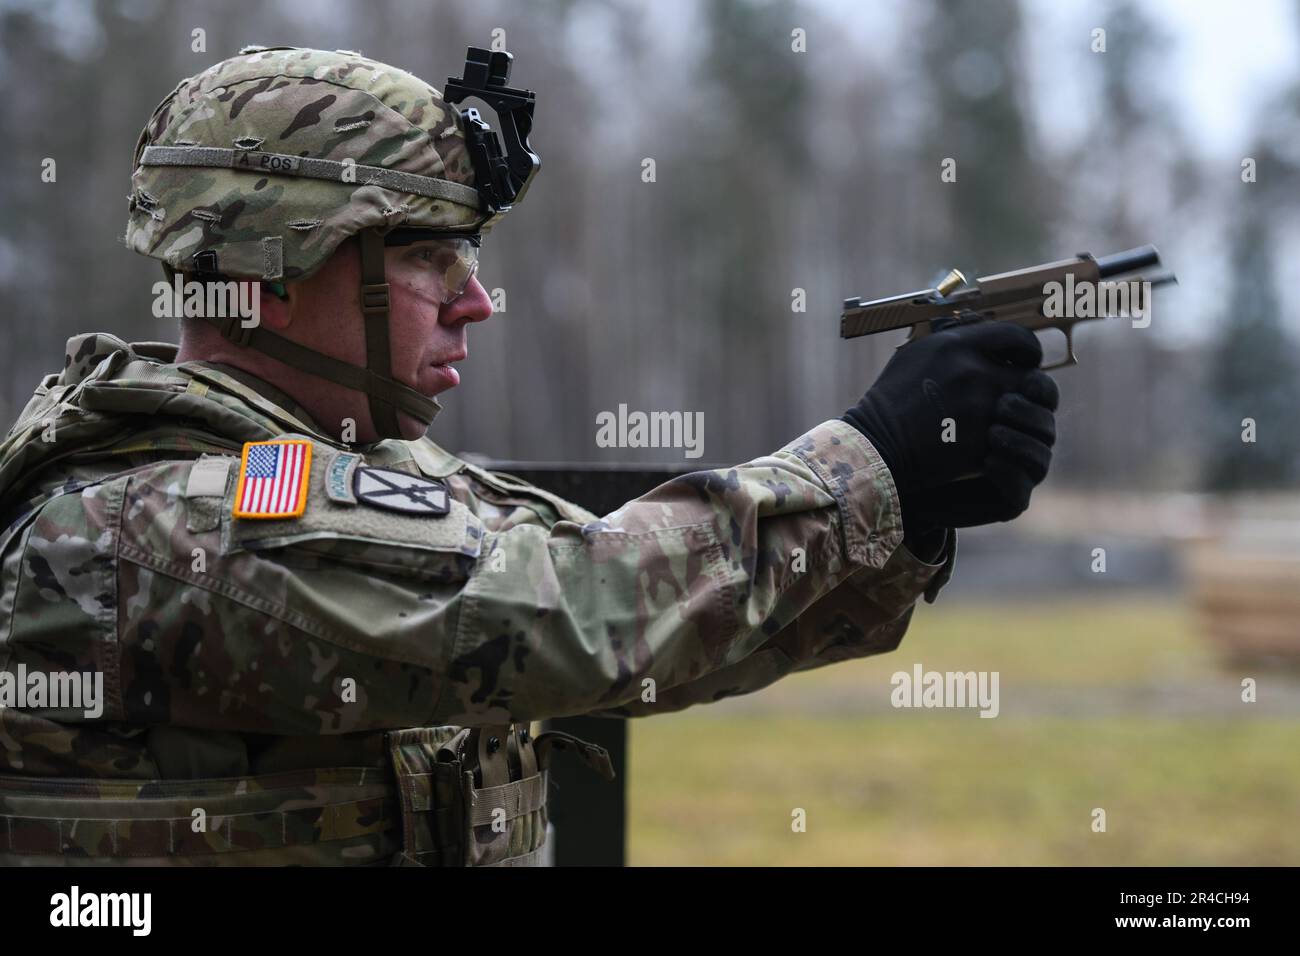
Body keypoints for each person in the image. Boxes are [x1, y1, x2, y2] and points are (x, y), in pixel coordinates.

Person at [0, 45, 1057, 866]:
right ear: (271, 266)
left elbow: (651, 627)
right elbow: (571, 613)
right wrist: (865, 462)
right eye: (425, 255)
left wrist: (909, 504)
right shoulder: (145, 524)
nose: (474, 300)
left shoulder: (383, 469)